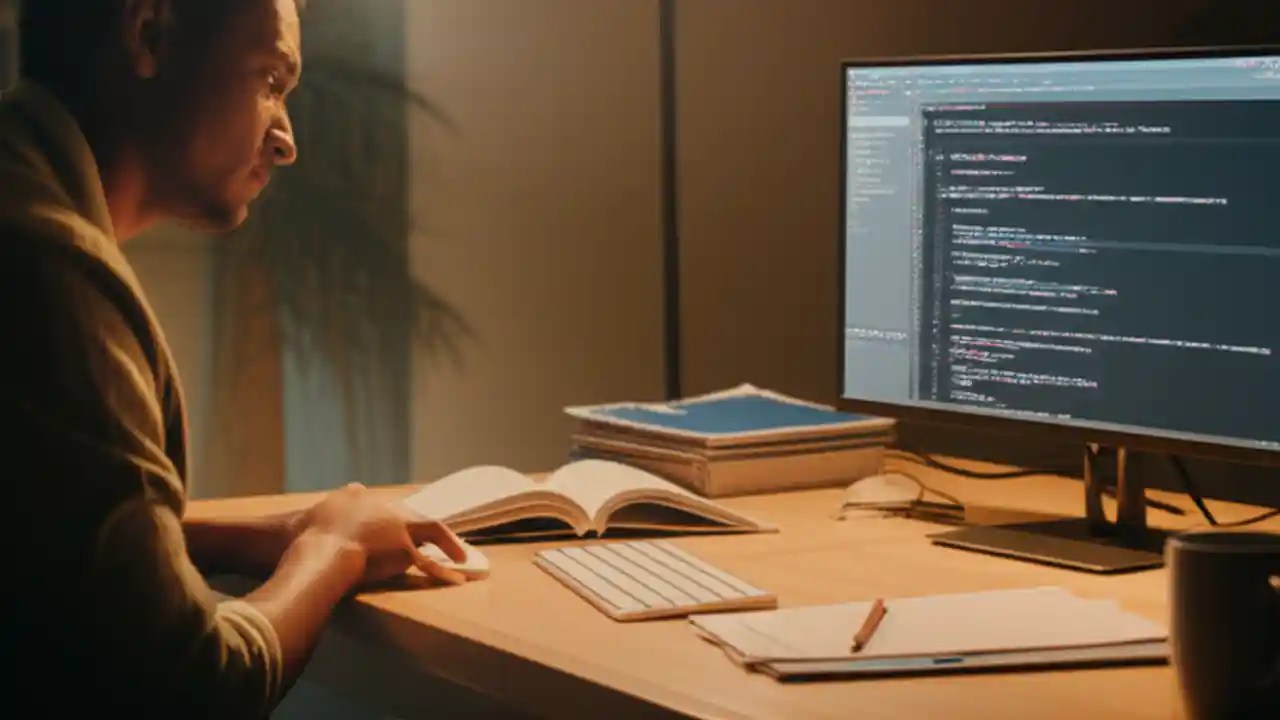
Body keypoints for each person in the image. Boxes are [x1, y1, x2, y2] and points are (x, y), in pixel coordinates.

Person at [0, 0, 470, 716]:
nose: (286, 140)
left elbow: (40, 538)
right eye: (270, 80)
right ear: (150, 33)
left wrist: (231, 539)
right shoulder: (49, 267)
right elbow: (189, 685)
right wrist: (334, 548)